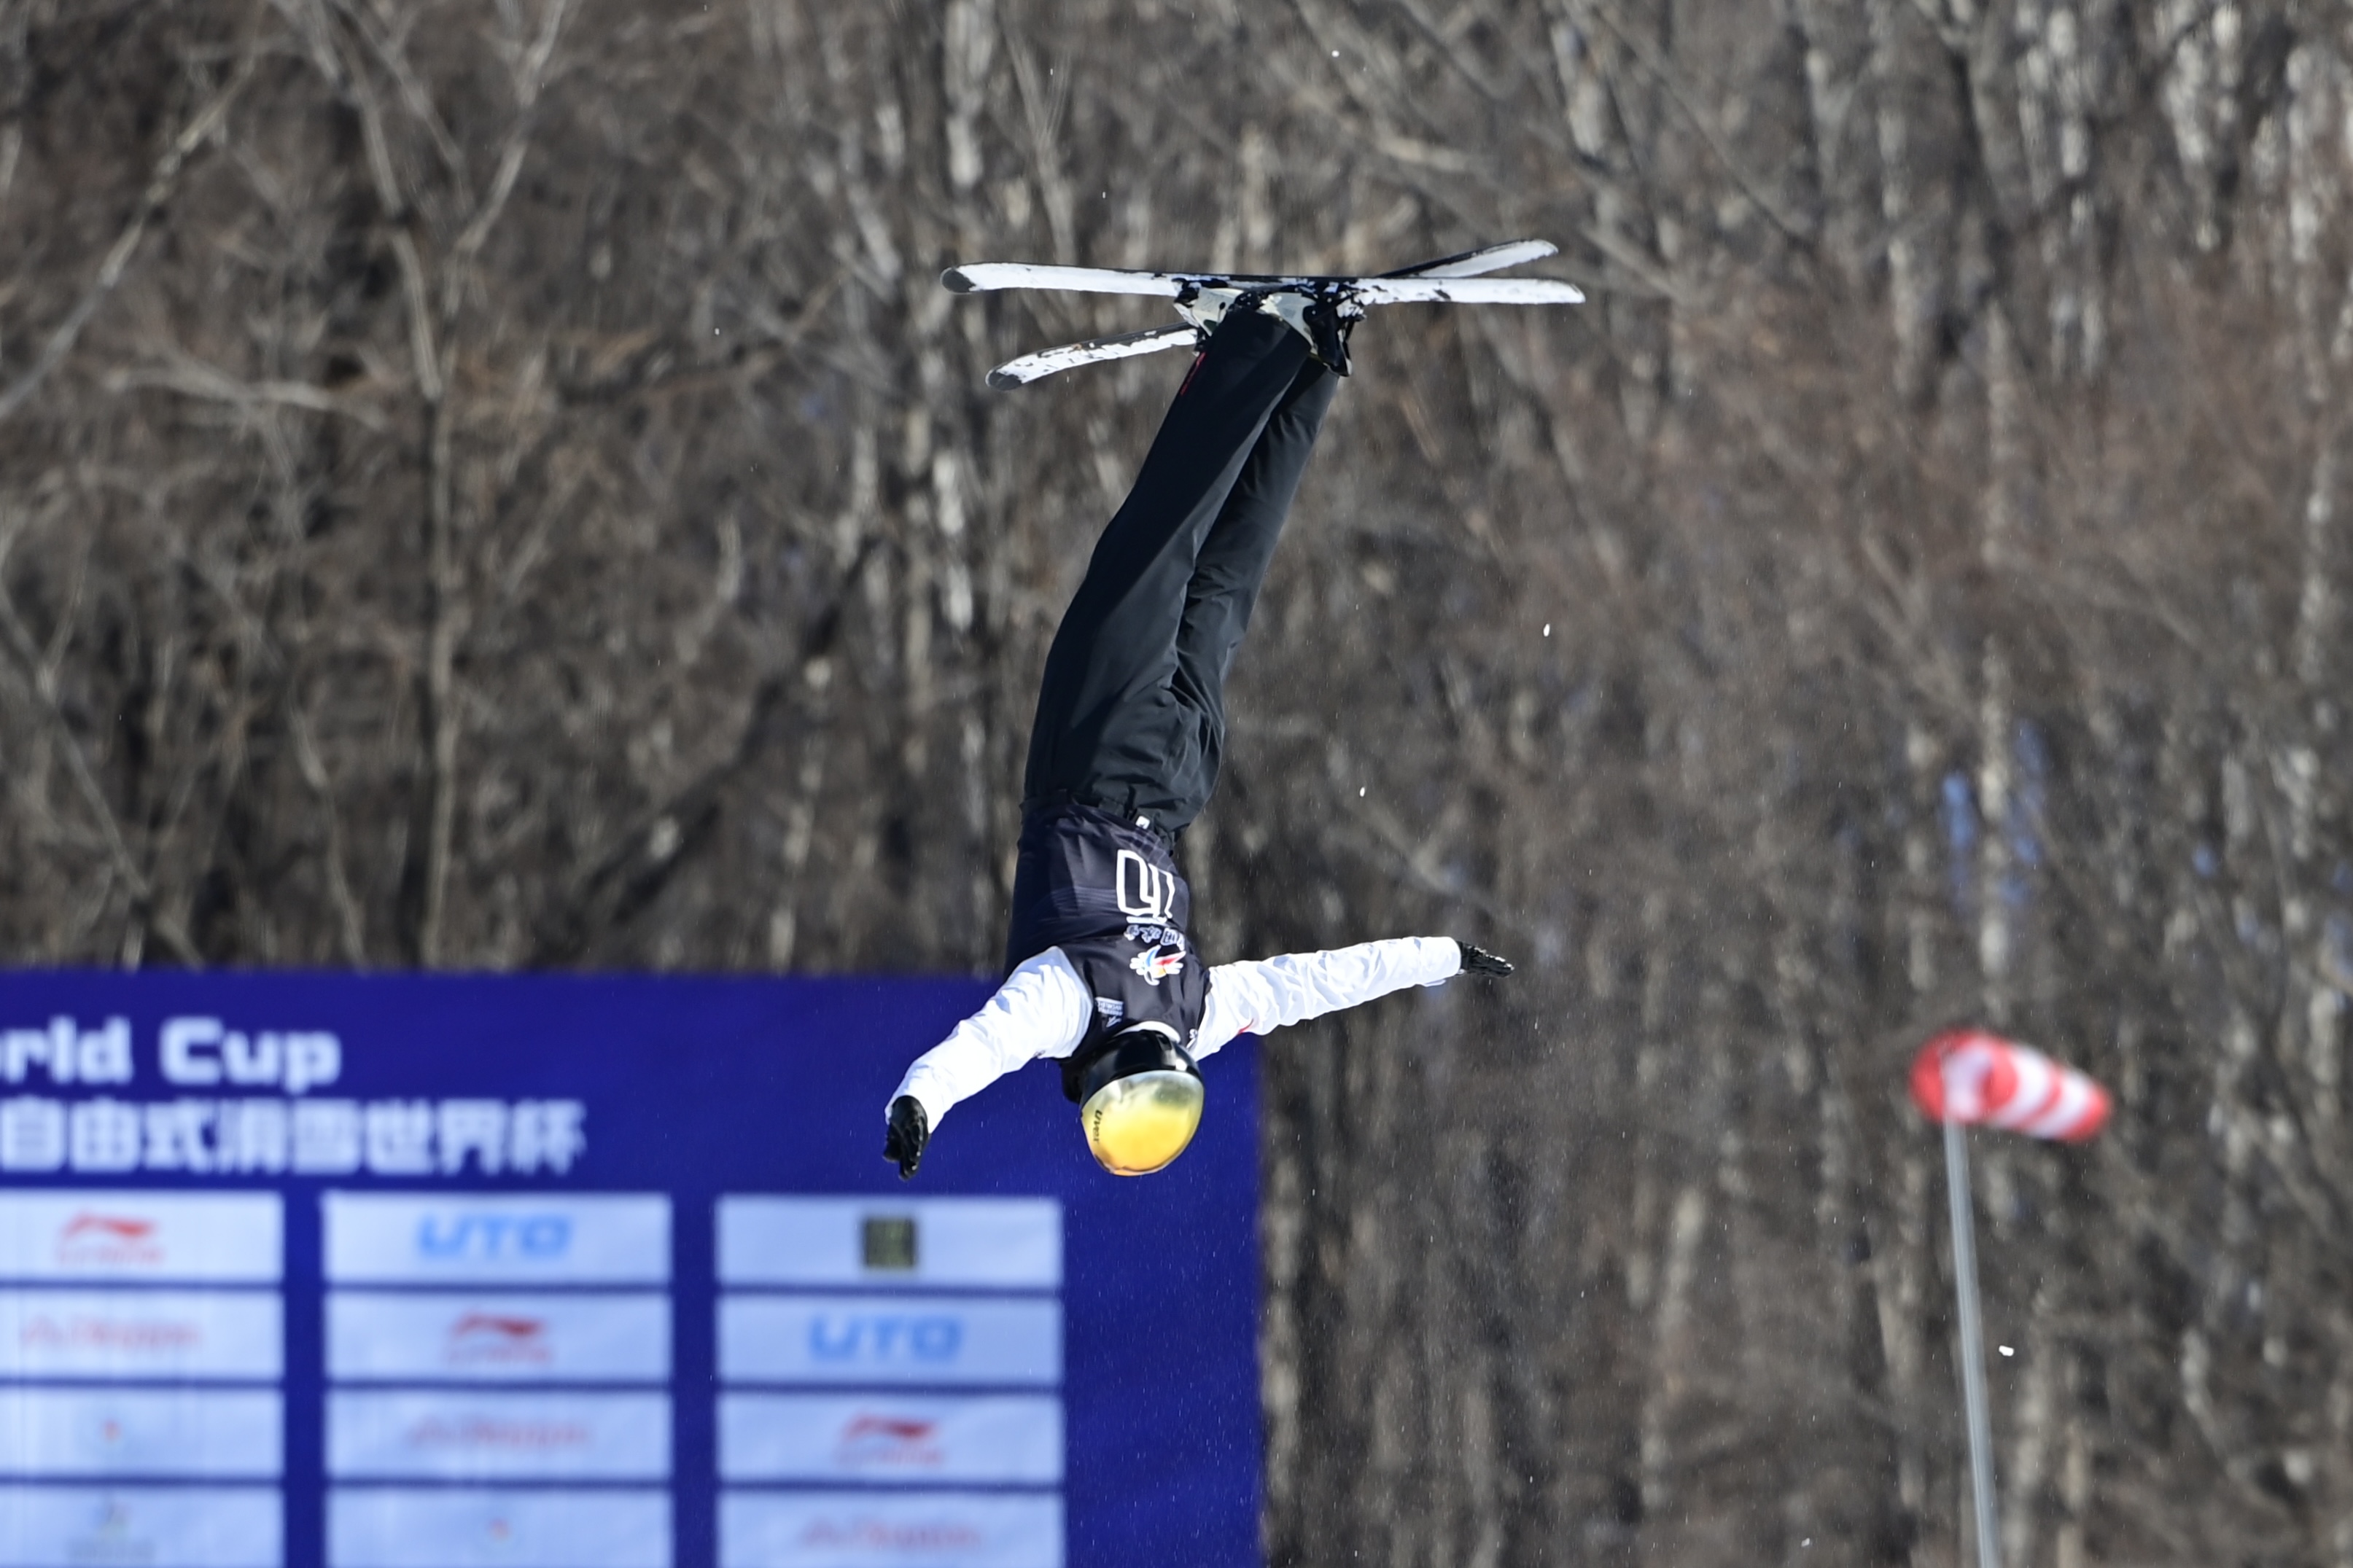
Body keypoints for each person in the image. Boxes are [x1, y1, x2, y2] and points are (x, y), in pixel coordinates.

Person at [884, 295, 1512, 1180]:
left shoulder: (1196, 1011)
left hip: (1182, 775)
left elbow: (1309, 986)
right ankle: (1259, 336)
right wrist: (914, 1101)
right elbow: (978, 1047)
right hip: (1098, 757)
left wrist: (1439, 956)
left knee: (1224, 573)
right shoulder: (1069, 1004)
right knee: (1155, 542)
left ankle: (1315, 360)